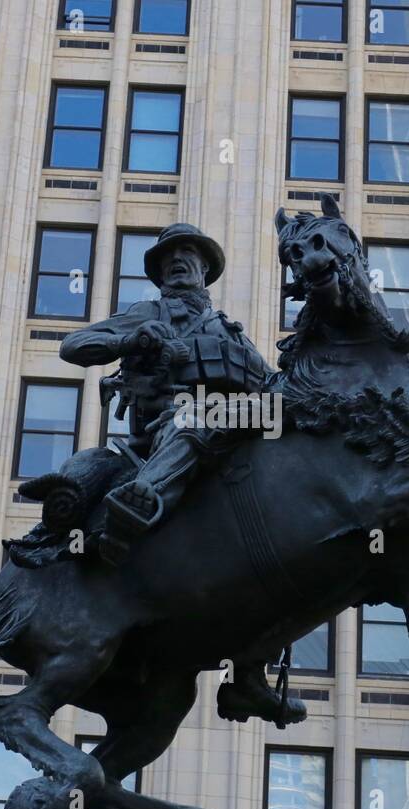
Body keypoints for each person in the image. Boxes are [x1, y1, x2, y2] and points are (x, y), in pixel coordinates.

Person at [60, 223, 268, 565]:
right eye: (167, 256)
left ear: (205, 267)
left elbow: (268, 380)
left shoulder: (227, 329)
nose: (175, 259)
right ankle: (141, 500)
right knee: (190, 417)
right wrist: (131, 339)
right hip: (168, 426)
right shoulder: (148, 314)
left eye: (186, 251)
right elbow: (73, 346)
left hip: (238, 424)